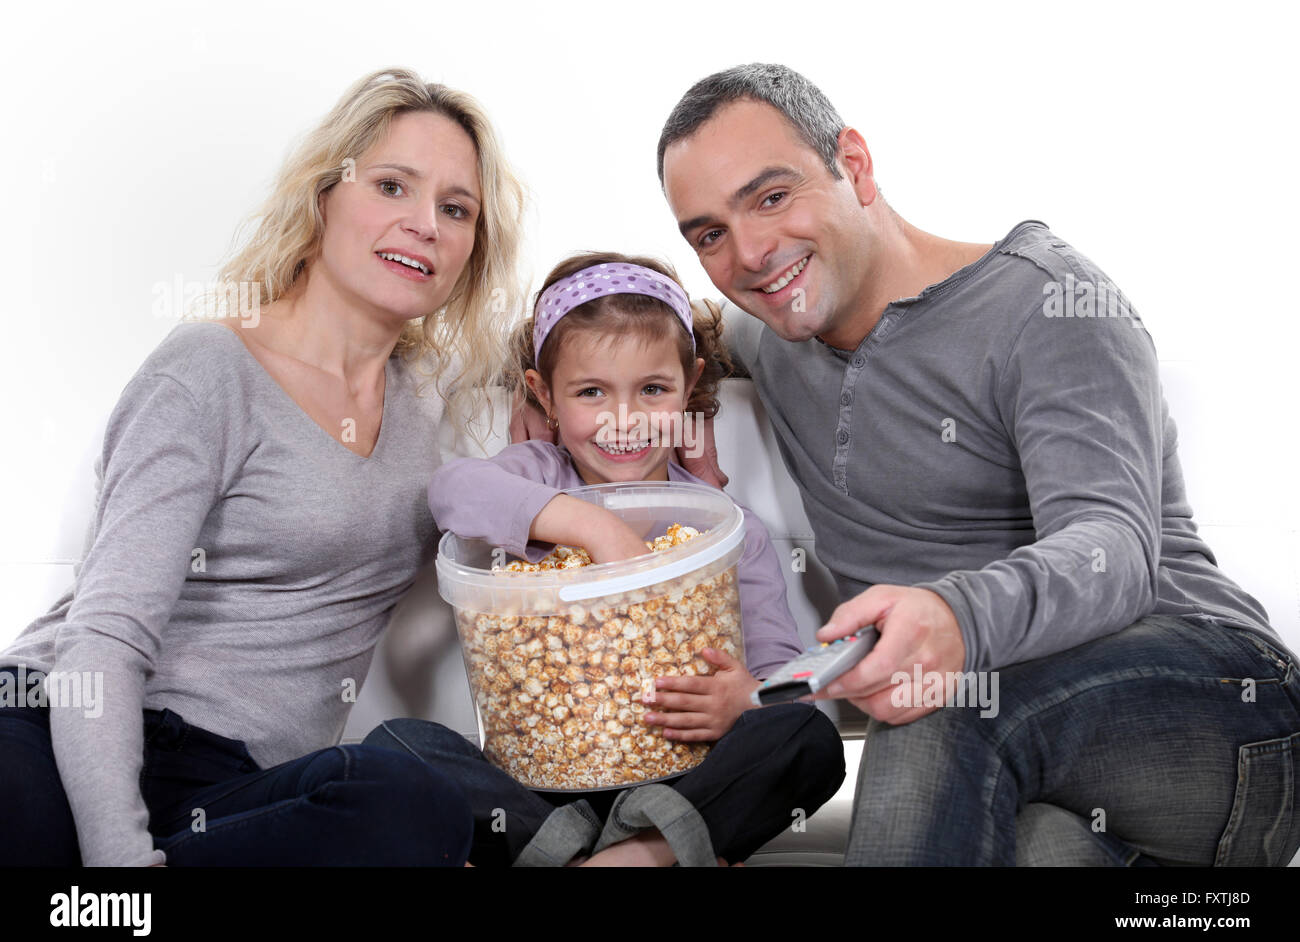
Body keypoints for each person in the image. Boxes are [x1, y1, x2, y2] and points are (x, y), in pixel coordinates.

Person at [655, 63, 1300, 866]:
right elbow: (649, 327)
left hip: (1219, 712)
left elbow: (1113, 548)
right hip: (1040, 775)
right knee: (1046, 852)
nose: (750, 252)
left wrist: (954, 619)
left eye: (772, 196)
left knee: (937, 698)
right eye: (709, 233)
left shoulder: (1046, 303)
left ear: (853, 165)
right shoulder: (772, 332)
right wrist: (546, 376)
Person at [0, 67, 525, 866]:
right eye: (391, 186)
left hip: (232, 788)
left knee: (411, 805)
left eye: (456, 209)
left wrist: (695, 378)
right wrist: (119, 863)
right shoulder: (210, 367)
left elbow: (592, 334)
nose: (425, 224)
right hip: (63, 730)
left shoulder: (432, 395)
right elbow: (104, 638)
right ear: (324, 199)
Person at [364, 252, 845, 866]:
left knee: (808, 738)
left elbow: (785, 678)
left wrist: (746, 700)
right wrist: (593, 526)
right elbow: (451, 491)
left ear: (688, 388)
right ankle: (617, 853)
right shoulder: (538, 474)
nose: (625, 419)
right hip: (541, 780)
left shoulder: (725, 529)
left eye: (652, 390)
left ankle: (634, 853)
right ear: (546, 396)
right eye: (591, 392)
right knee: (396, 747)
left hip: (679, 773)